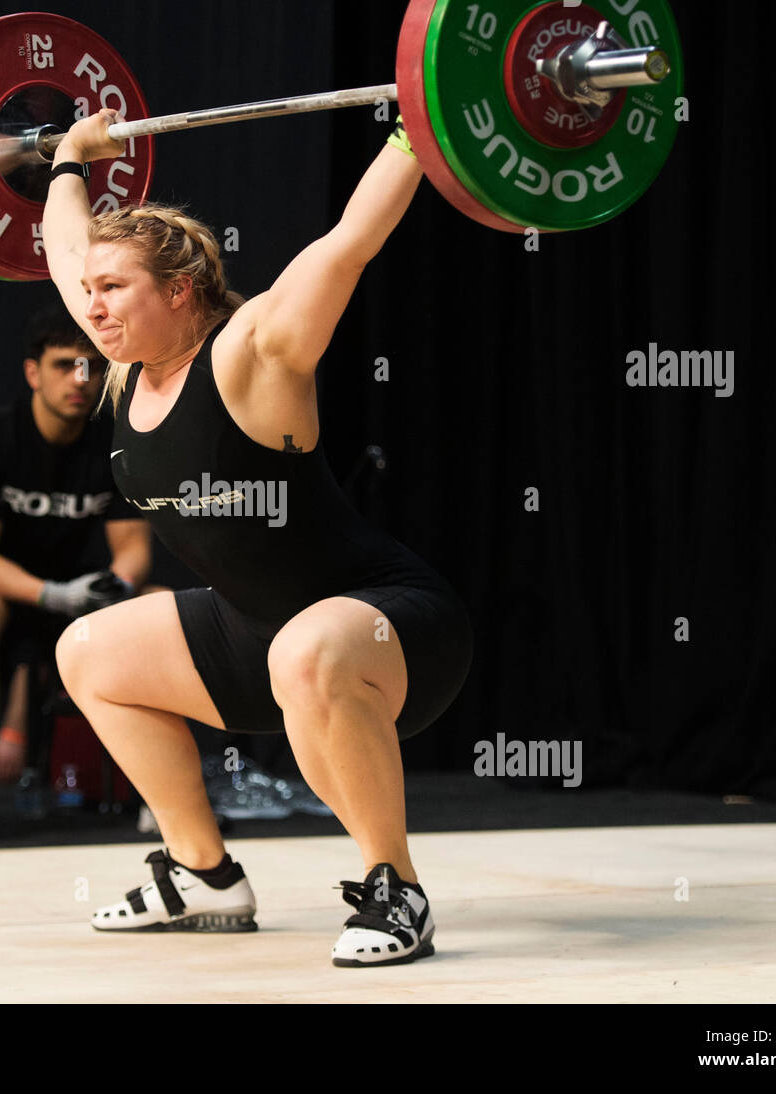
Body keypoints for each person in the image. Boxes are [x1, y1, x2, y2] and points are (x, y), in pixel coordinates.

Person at [45, 113, 473, 966]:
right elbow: (65, 249)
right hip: (264, 635)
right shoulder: (127, 362)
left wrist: (419, 125)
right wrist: (66, 161)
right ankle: (203, 874)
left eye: (114, 289)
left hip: (392, 628)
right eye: (89, 290)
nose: (90, 305)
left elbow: (348, 245)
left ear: (179, 292)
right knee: (88, 649)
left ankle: (397, 889)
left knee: (306, 649)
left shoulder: (255, 353)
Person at [0, 307, 151, 846]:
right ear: (33, 373)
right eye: (65, 366)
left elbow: (133, 550)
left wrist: (118, 584)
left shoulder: (114, 443)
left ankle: (158, 792)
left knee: (155, 605)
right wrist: (55, 594)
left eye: (91, 367)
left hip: (70, 590)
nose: (80, 381)